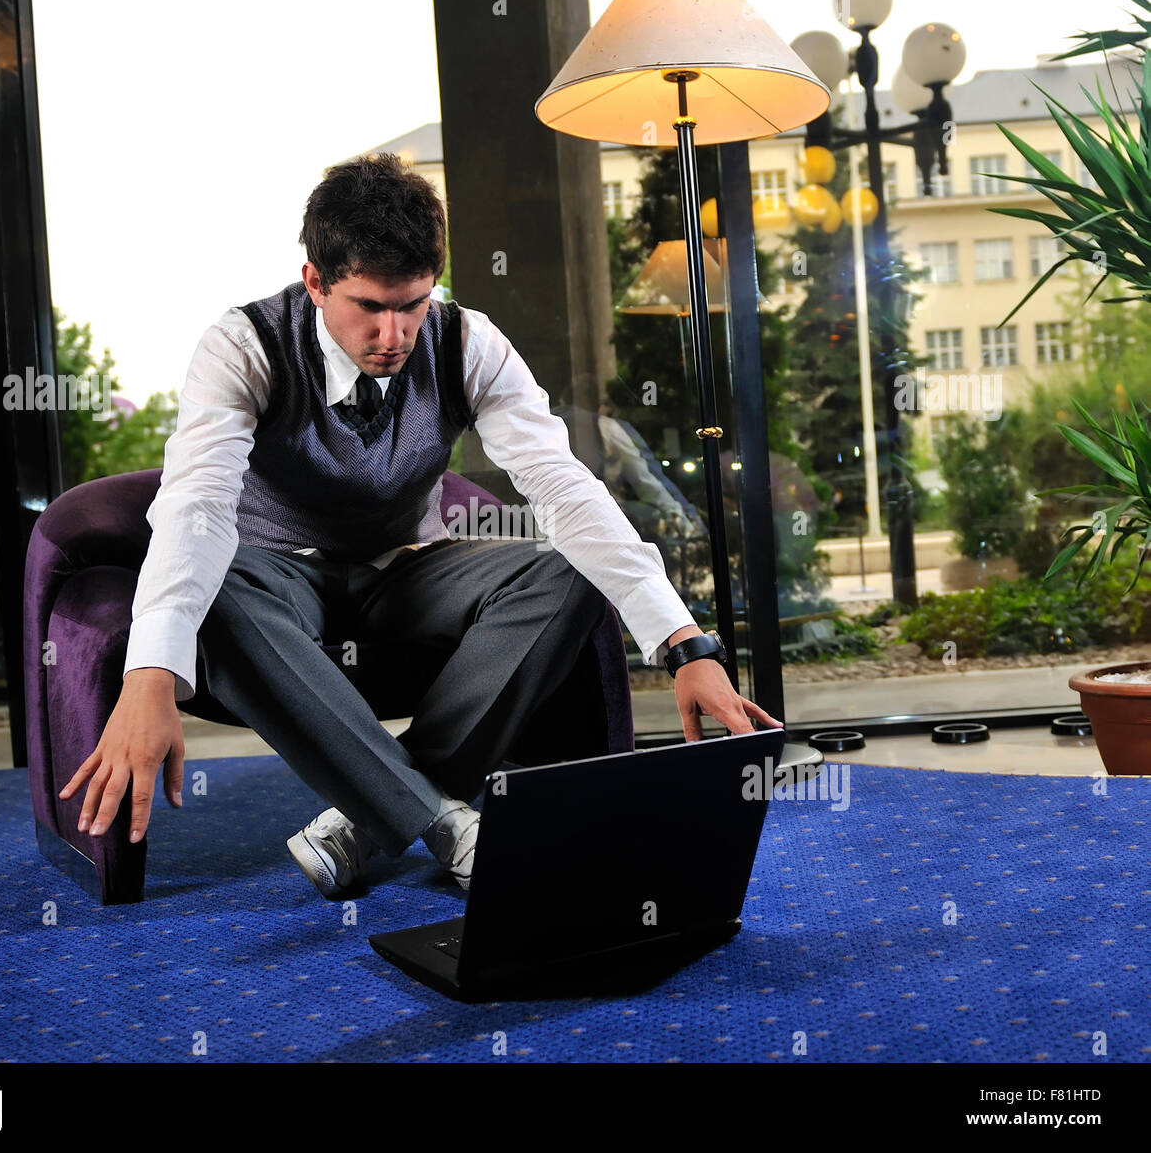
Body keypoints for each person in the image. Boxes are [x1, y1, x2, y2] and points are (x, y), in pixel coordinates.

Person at [58, 154, 781, 899]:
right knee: (217, 592)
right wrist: (149, 675)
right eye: (370, 305)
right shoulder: (242, 347)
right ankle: (445, 823)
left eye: (413, 302)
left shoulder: (469, 342)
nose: (395, 332)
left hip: (404, 573)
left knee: (568, 570)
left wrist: (684, 642)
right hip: (270, 581)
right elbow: (197, 508)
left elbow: (563, 488)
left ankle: (368, 821)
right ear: (315, 281)